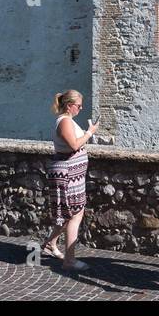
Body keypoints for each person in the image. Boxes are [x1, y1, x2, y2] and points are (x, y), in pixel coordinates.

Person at [41, 90, 97, 273]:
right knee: (74, 215)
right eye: (78, 106)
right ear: (69, 105)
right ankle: (69, 260)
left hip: (74, 174)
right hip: (67, 175)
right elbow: (73, 144)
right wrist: (90, 133)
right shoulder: (64, 121)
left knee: (69, 213)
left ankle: (51, 243)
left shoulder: (68, 120)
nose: (80, 109)